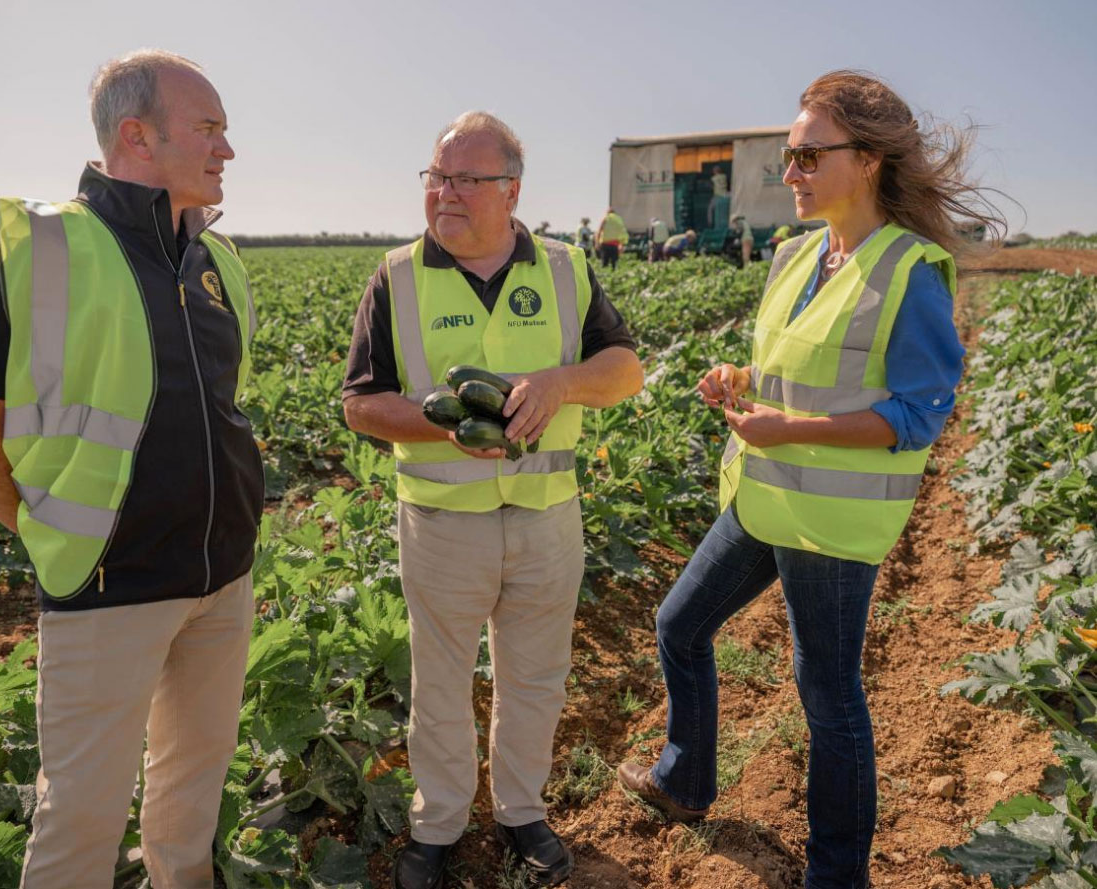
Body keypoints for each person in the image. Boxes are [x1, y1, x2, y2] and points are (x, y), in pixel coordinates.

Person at [616, 69, 1002, 889]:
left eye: (805, 157)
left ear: (864, 160)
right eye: (787, 158)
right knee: (679, 624)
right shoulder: (796, 256)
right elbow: (793, 369)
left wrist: (786, 427)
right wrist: (739, 381)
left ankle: (836, 873)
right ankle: (684, 780)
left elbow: (917, 414)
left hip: (830, 522)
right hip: (764, 497)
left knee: (825, 694)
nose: (787, 174)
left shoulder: (909, 269)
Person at [0, 50, 261, 889]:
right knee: (81, 817)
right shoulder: (32, 254)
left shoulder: (217, 262)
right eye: (209, 128)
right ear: (136, 135)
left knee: (191, 797)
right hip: (105, 588)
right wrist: (51, 531)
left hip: (220, 580)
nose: (227, 149)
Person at [342, 111, 642, 889]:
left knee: (535, 677)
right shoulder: (397, 276)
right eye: (435, 176)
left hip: (547, 516)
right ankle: (436, 824)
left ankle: (520, 813)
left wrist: (560, 382)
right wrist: (443, 428)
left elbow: (624, 370)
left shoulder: (566, 269)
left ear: (510, 190)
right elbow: (361, 405)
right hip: (442, 523)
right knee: (439, 682)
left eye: (465, 180)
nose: (445, 193)